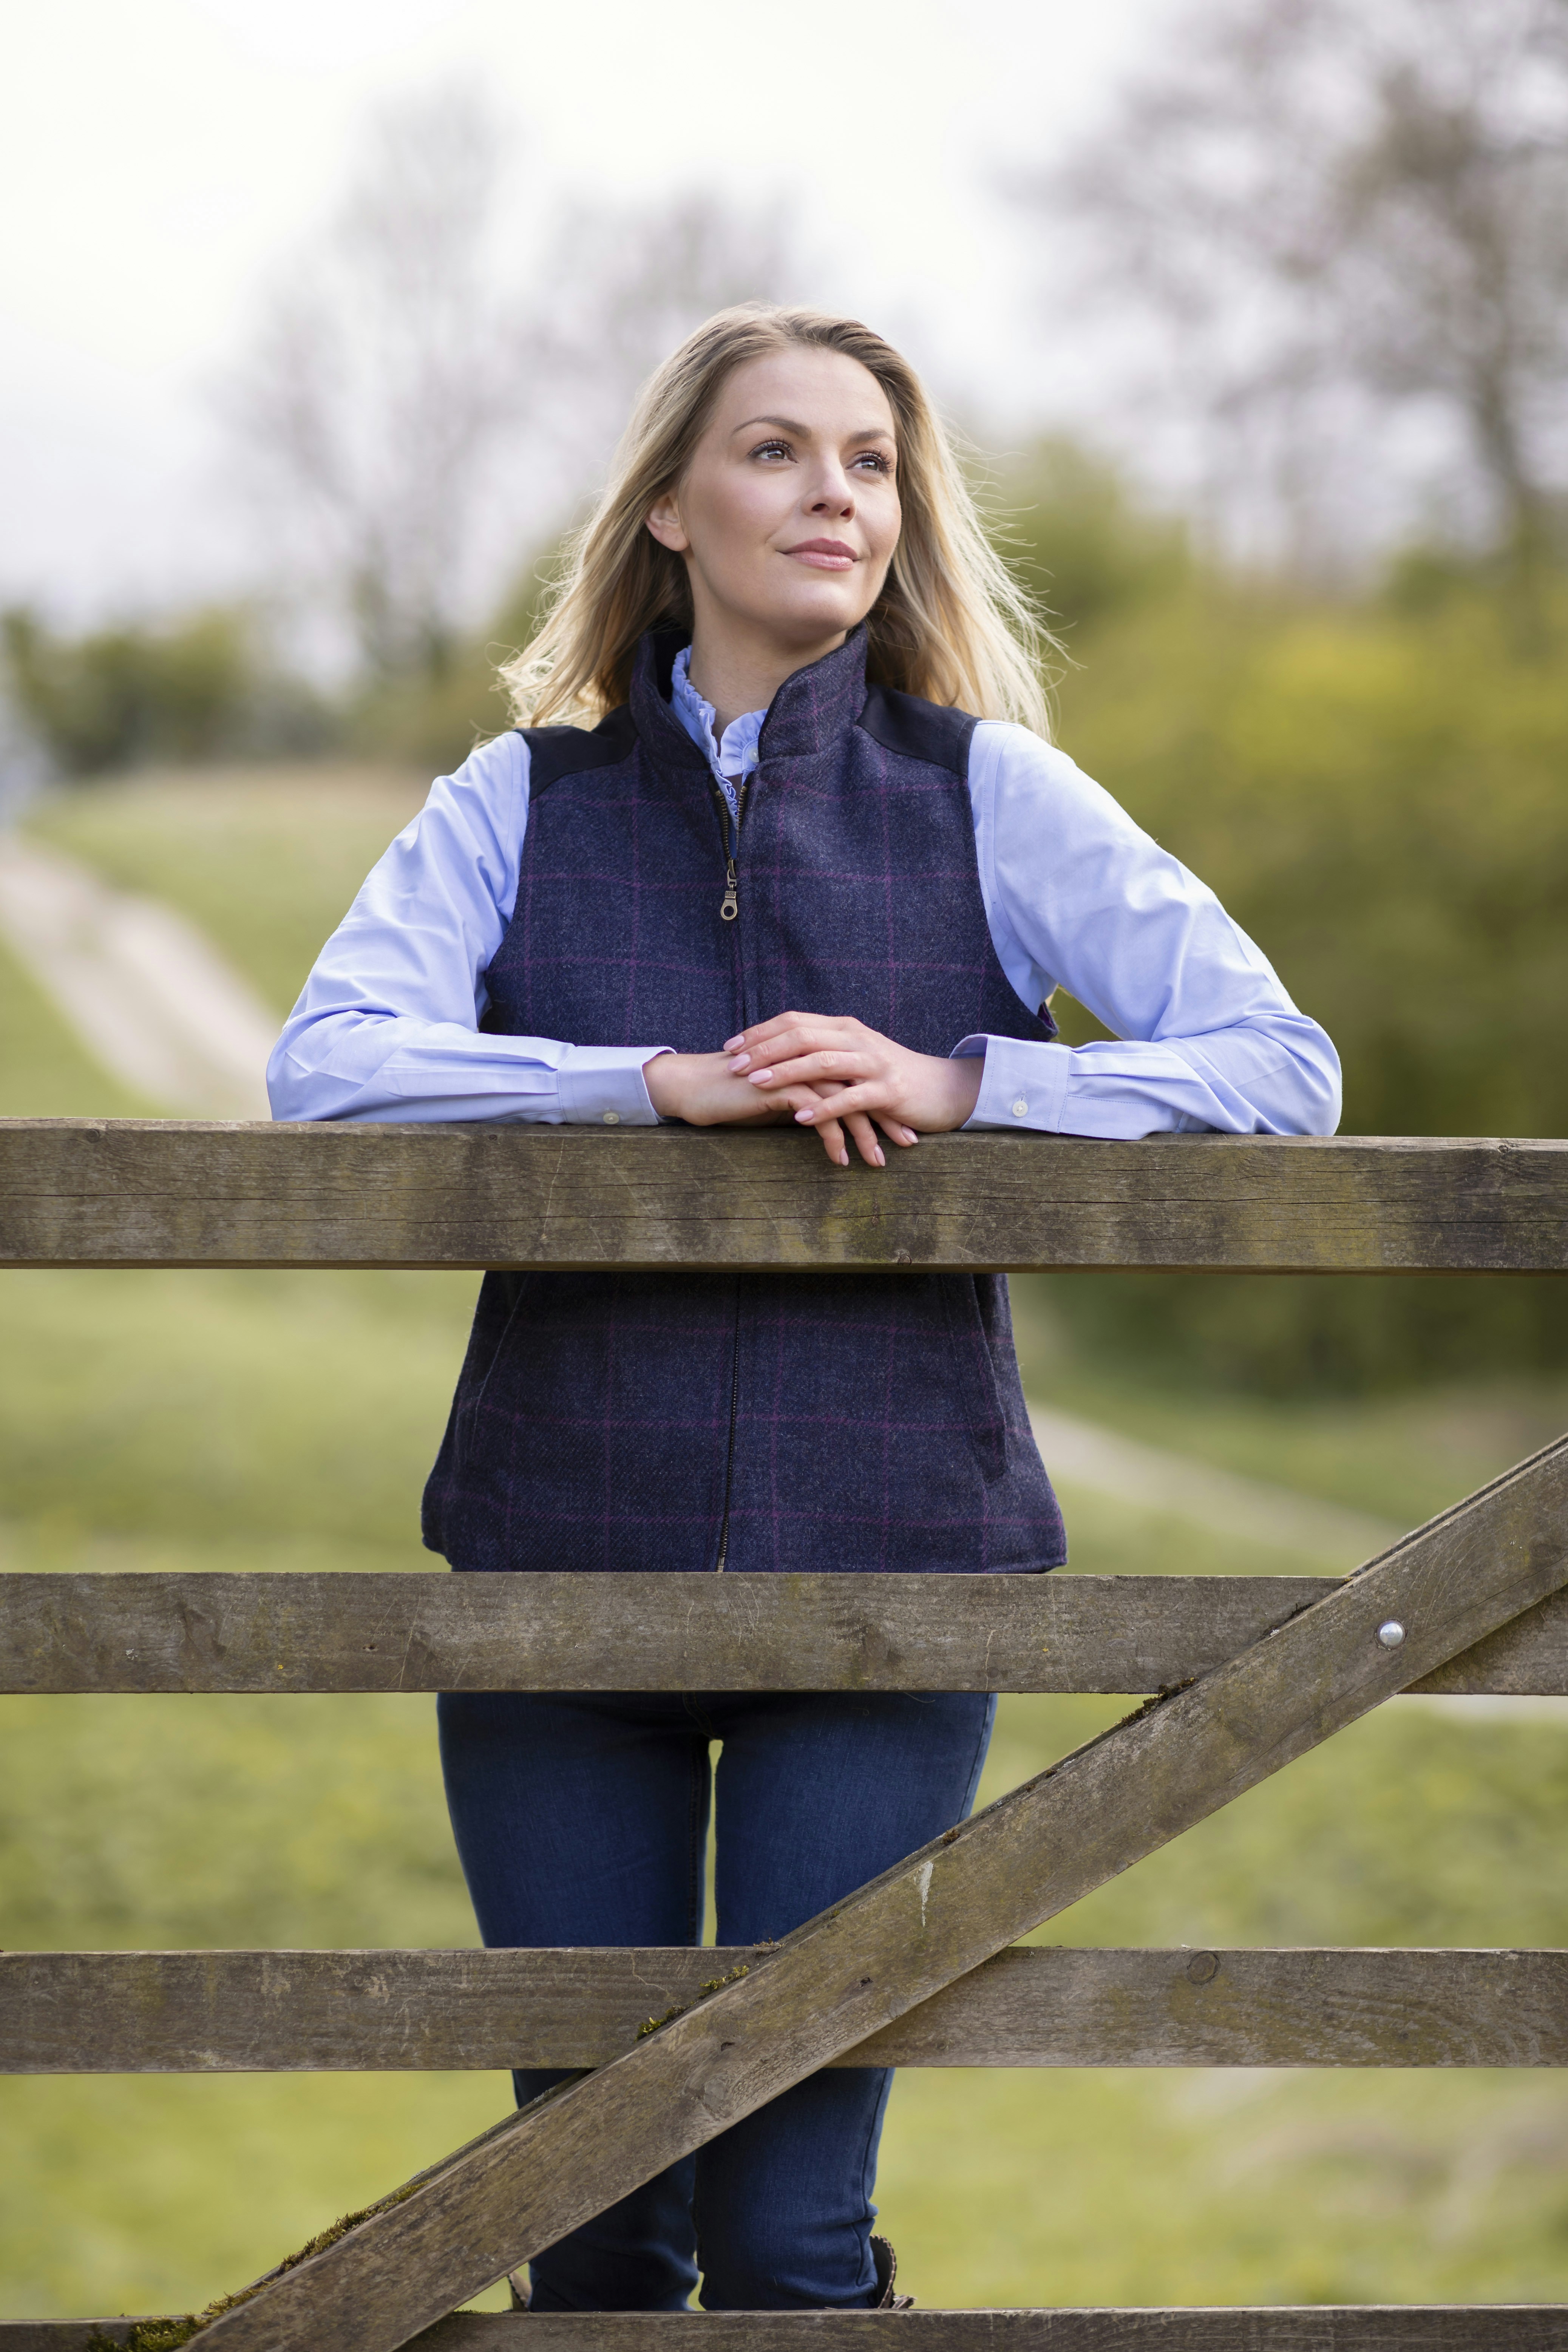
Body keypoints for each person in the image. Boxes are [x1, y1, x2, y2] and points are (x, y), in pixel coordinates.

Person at [267, 304, 1339, 2314]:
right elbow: (326, 1062)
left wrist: (968, 1084)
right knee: (584, 2226)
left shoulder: (991, 795)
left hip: (891, 1577)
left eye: (866, 459)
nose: (831, 492)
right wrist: (642, 1082)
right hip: (552, 1578)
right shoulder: (519, 801)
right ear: (670, 504)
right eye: (773, 451)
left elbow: (1279, 1066)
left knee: (784, 2233)